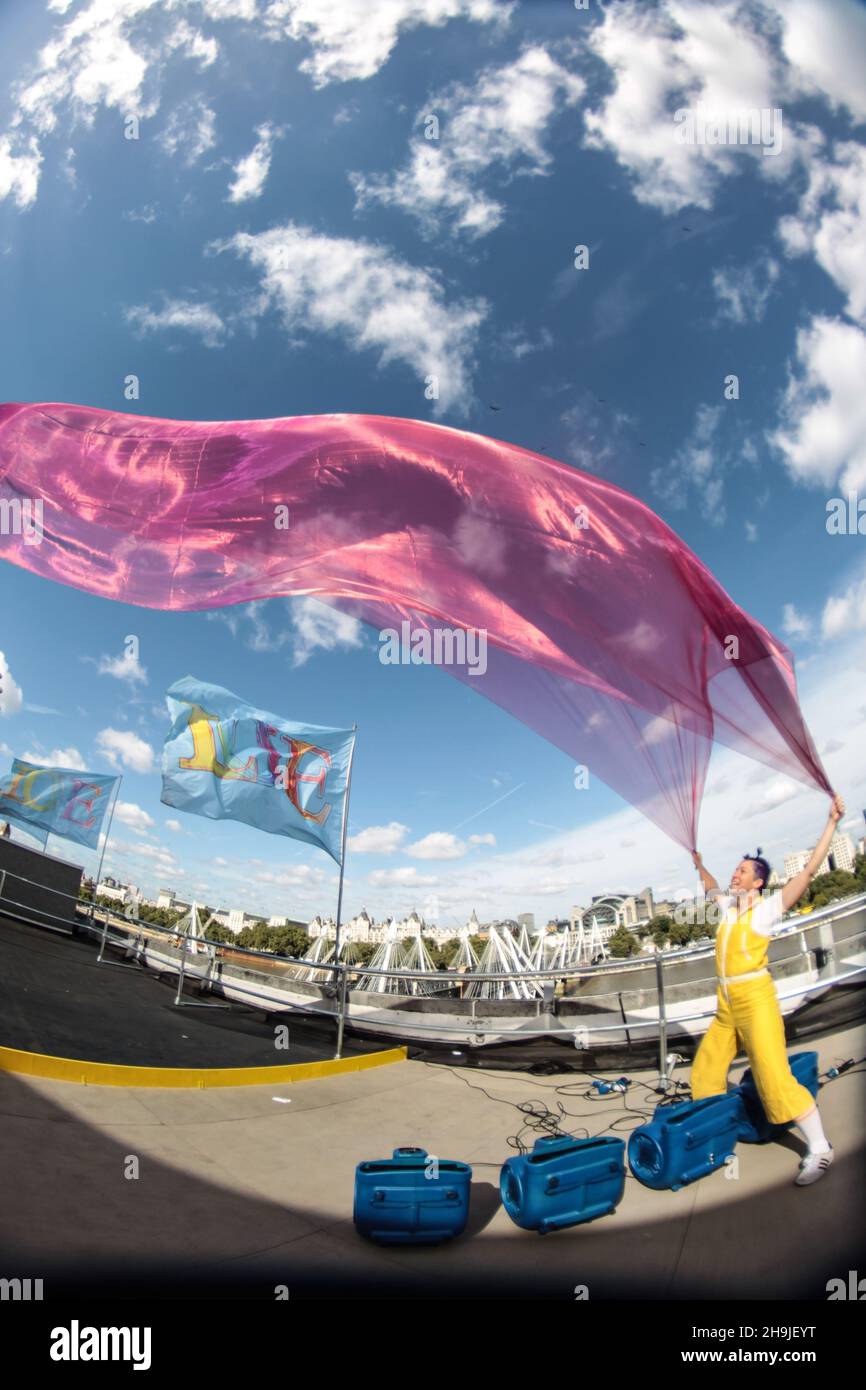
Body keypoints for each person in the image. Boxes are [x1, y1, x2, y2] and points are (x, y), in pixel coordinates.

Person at [689, 792, 845, 1186]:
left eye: (742, 871)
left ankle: (821, 1149)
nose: (734, 875)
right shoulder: (726, 907)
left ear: (757, 882)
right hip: (726, 1007)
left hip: (756, 1002)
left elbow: (808, 872)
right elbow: (709, 886)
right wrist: (700, 864)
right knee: (705, 1072)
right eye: (735, 870)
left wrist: (831, 823)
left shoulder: (768, 909)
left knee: (773, 1078)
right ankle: (715, 1134)